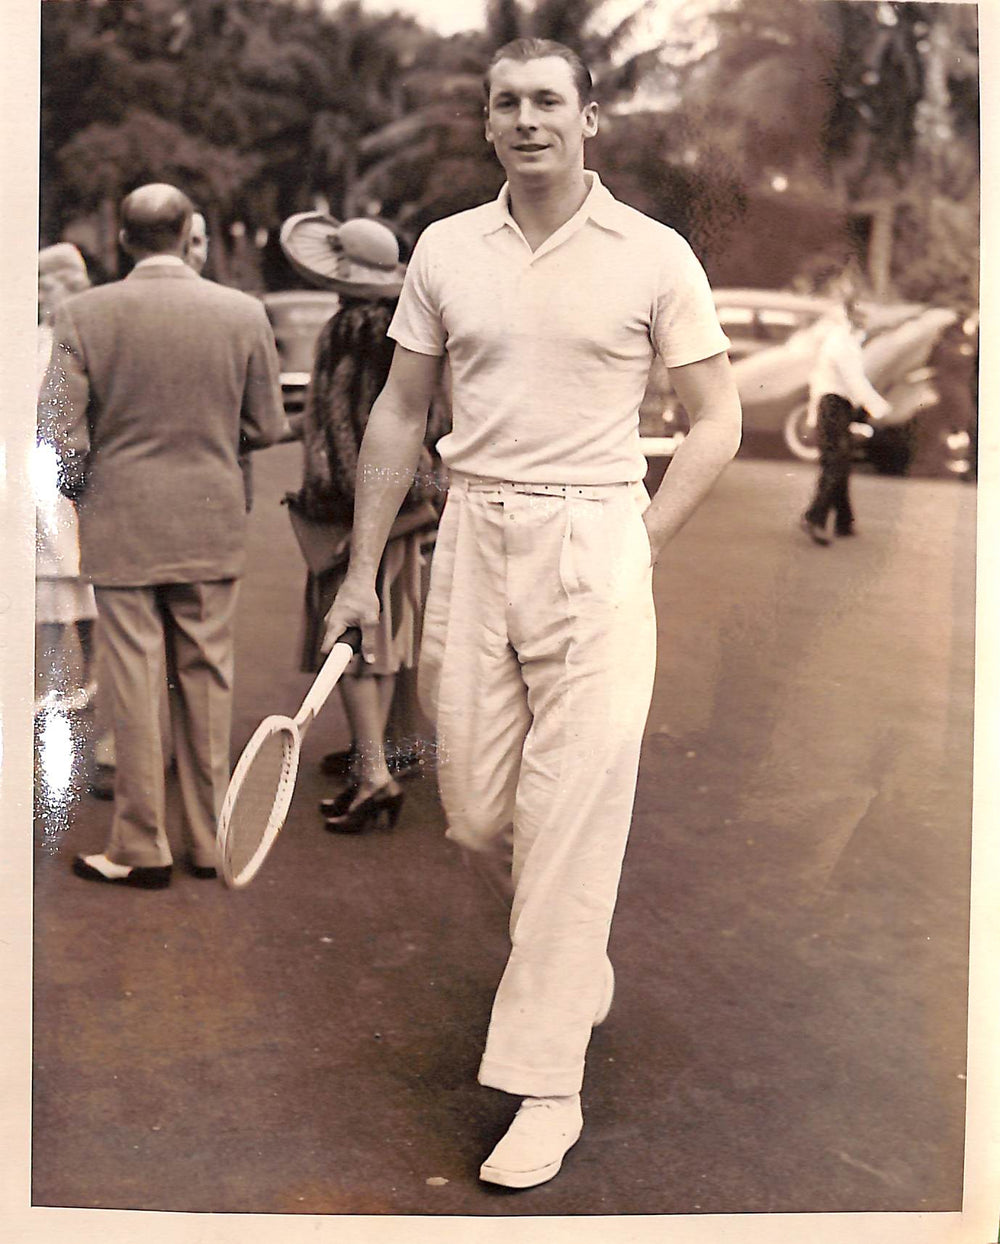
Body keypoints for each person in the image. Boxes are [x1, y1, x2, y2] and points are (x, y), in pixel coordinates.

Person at [321, 39, 742, 1187]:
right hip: (472, 536)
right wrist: (361, 574)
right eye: (505, 102)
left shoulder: (654, 254)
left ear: (587, 116)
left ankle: (543, 1084)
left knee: (573, 817)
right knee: (474, 814)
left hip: (595, 536)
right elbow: (401, 415)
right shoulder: (448, 250)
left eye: (547, 100)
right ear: (489, 122)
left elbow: (717, 419)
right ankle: (572, 963)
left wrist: (636, 543)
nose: (526, 119)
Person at [38, 183, 287, 889]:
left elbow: (57, 433)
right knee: (206, 681)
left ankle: (141, 845)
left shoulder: (83, 313)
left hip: (121, 522)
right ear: (186, 235)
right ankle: (211, 839)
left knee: (135, 683)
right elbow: (267, 425)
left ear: (123, 237)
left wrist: (91, 488)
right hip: (208, 518)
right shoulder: (242, 313)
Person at [287, 217, 443, 832]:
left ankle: (373, 774)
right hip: (403, 502)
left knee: (352, 642)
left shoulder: (356, 327)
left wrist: (360, 521)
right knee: (390, 630)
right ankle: (384, 751)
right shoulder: (404, 320)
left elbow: (363, 433)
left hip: (359, 509)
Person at [34, 244, 98, 717]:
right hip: (43, 477)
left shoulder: (89, 328)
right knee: (51, 586)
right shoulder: (35, 337)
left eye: (44, 284)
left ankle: (96, 679)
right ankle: (55, 682)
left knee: (91, 583)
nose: (37, 294)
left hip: (83, 476)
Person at [800, 296, 891, 545]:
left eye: (869, 313)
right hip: (833, 404)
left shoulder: (850, 340)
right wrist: (880, 409)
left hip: (836, 405)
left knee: (841, 459)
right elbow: (854, 382)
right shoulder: (841, 342)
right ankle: (814, 517)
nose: (867, 318)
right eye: (862, 313)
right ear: (851, 313)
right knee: (836, 461)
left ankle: (844, 521)